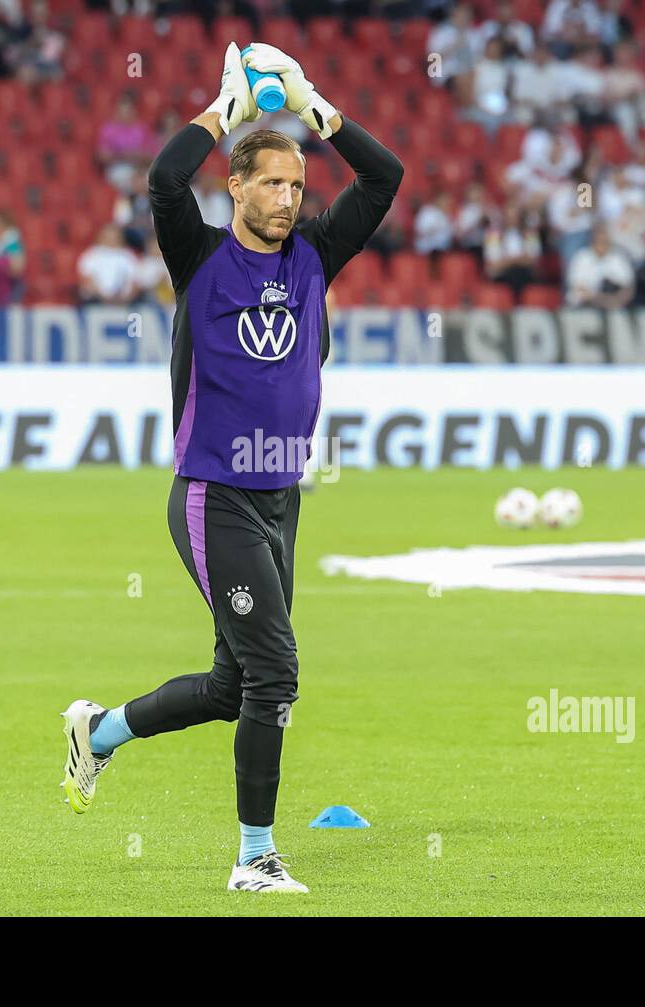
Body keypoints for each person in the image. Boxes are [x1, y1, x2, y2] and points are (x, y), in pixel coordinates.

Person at [59, 42, 403, 895]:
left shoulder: (313, 256)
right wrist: (228, 111)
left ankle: (98, 733)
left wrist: (317, 109)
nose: (288, 198)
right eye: (272, 183)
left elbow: (386, 177)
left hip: (282, 498)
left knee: (232, 684)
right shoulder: (202, 257)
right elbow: (165, 181)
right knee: (277, 671)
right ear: (238, 188)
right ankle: (254, 855)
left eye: (297, 185)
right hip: (213, 496)